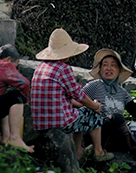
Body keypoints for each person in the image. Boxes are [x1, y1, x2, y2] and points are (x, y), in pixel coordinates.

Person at [30, 28, 113, 163]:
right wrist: (95, 106)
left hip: (40, 122)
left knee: (79, 114)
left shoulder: (40, 68)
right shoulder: (64, 69)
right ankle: (99, 152)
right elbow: (78, 95)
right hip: (59, 122)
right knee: (94, 113)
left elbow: (63, 96)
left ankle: (77, 151)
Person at [82, 48, 136, 166]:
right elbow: (77, 99)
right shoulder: (94, 86)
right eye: (105, 65)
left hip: (114, 138)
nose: (109, 68)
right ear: (100, 69)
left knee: (126, 127)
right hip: (96, 134)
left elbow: (135, 111)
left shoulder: (122, 92)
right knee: (115, 118)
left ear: (118, 70)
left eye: (113, 65)